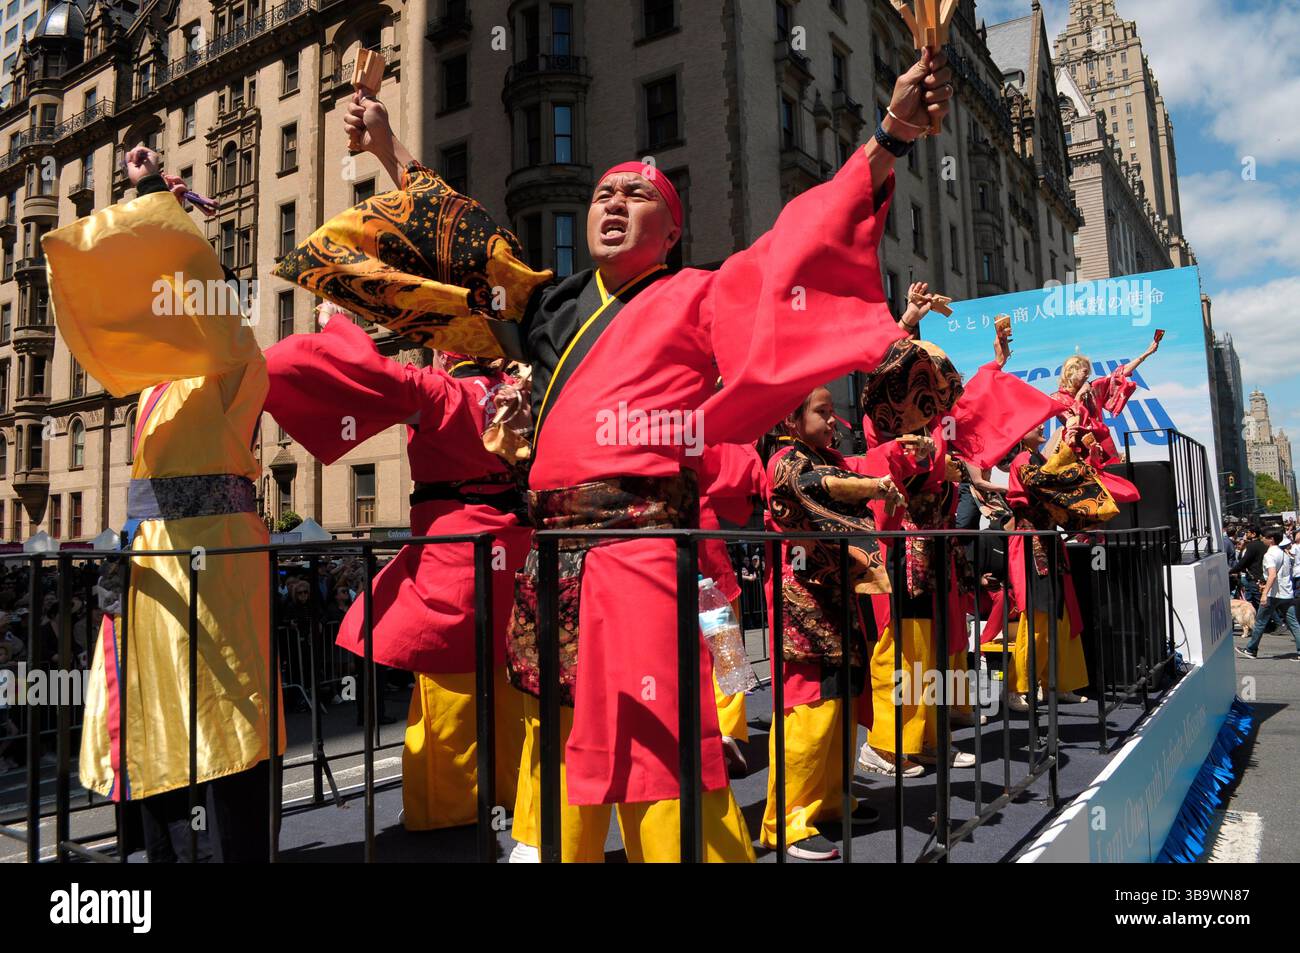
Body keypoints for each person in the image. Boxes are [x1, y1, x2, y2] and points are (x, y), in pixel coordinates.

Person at [275, 51, 955, 862]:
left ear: (674, 233)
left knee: (658, 744)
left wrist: (890, 135)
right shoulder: (553, 306)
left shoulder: (700, 293)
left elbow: (790, 251)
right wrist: (387, 148)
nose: (613, 201)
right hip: (553, 559)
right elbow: (463, 237)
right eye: (604, 192)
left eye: (639, 195)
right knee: (559, 739)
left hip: (641, 553)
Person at [42, 145, 281, 862]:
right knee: (155, 732)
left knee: (225, 729)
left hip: (218, 575)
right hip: (151, 574)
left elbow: (198, 283)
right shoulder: (150, 387)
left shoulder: (233, 361)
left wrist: (159, 200)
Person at [264, 302, 531, 834]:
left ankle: (446, 810)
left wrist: (337, 323)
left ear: (447, 350)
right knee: (512, 681)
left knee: (448, 689)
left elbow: (363, 372)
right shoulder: (520, 393)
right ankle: (515, 795)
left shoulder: (440, 392)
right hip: (517, 545)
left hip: (455, 551)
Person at [760, 386, 900, 860]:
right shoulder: (786, 462)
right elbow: (813, 488)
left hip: (832, 595)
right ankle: (788, 819)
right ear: (791, 421)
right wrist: (873, 486)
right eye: (823, 412)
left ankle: (831, 801)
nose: (834, 420)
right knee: (810, 707)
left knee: (838, 704)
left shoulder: (821, 457)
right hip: (802, 599)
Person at [1052, 339, 1160, 504]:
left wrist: (1145, 354)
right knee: (1089, 495)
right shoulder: (1057, 398)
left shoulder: (1093, 388)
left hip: (1103, 442)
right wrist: (1080, 396)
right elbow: (1073, 422)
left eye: (1088, 373)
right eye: (1084, 372)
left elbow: (1119, 375)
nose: (1087, 376)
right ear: (1071, 372)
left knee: (1115, 487)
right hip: (1079, 448)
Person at [1238, 528, 1300, 659]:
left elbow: (1272, 575)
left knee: (1260, 622)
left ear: (1271, 539)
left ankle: (1251, 649)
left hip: (1273, 594)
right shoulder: (1284, 553)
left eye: (1264, 537)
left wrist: (1264, 593)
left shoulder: (1270, 555)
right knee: (1293, 623)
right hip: (1286, 593)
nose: (1262, 539)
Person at [1232, 527, 1269, 609]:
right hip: (1261, 575)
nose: (1246, 534)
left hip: (1254, 577)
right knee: (1254, 599)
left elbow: (1244, 561)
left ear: (1253, 534)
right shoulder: (1263, 545)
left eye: (1248, 532)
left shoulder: (1251, 546)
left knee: (1260, 600)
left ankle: (1278, 621)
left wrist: (1231, 571)